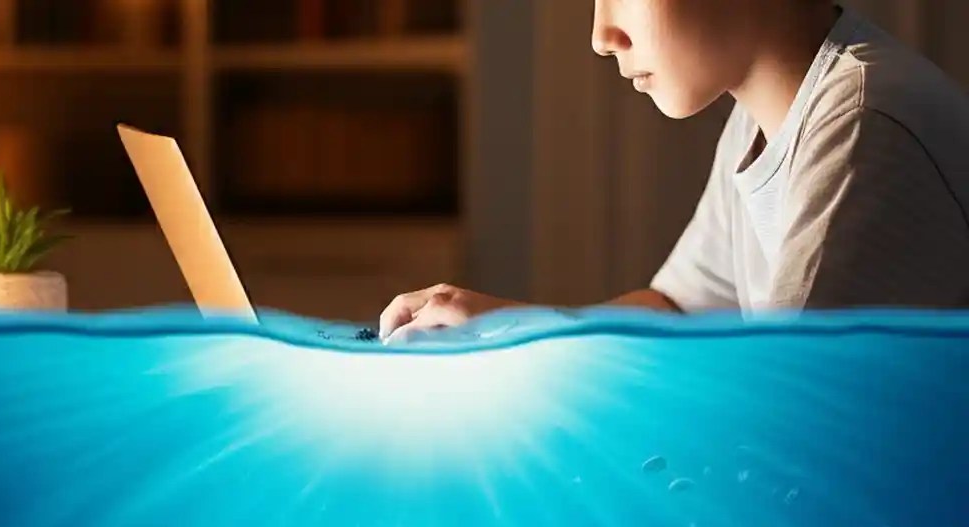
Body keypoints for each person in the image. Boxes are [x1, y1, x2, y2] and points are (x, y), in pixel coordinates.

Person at [380, 0, 969, 344]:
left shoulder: (863, 125)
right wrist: (510, 326)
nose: (601, 36)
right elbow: (679, 307)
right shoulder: (759, 119)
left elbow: (783, 421)